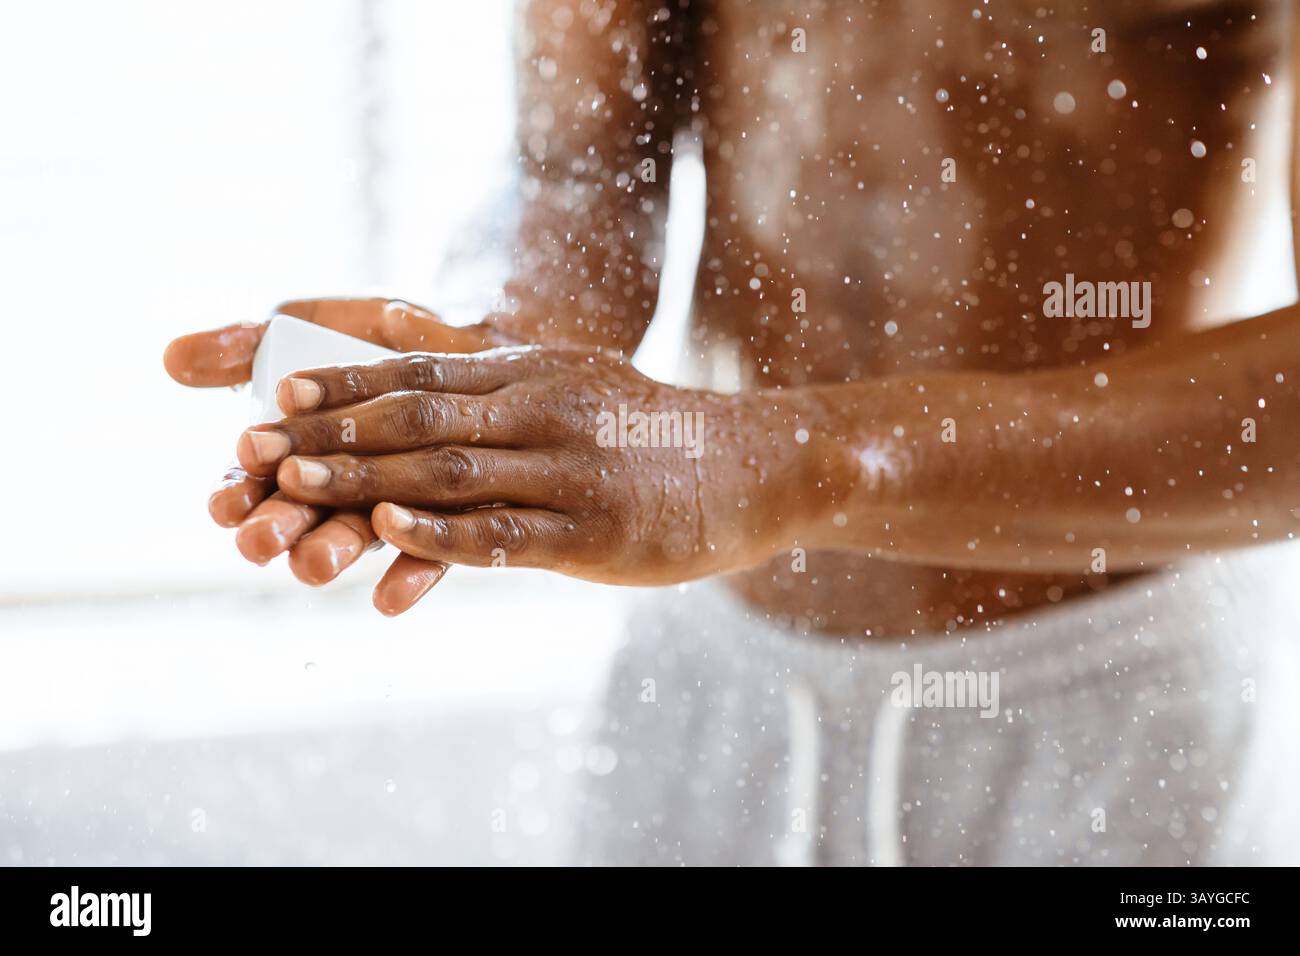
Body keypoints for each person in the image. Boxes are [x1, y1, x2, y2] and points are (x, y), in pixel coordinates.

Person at [165, 0, 1300, 864]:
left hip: (1109, 697)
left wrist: (796, 458)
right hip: (711, 678)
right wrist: (494, 364)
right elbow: (582, 174)